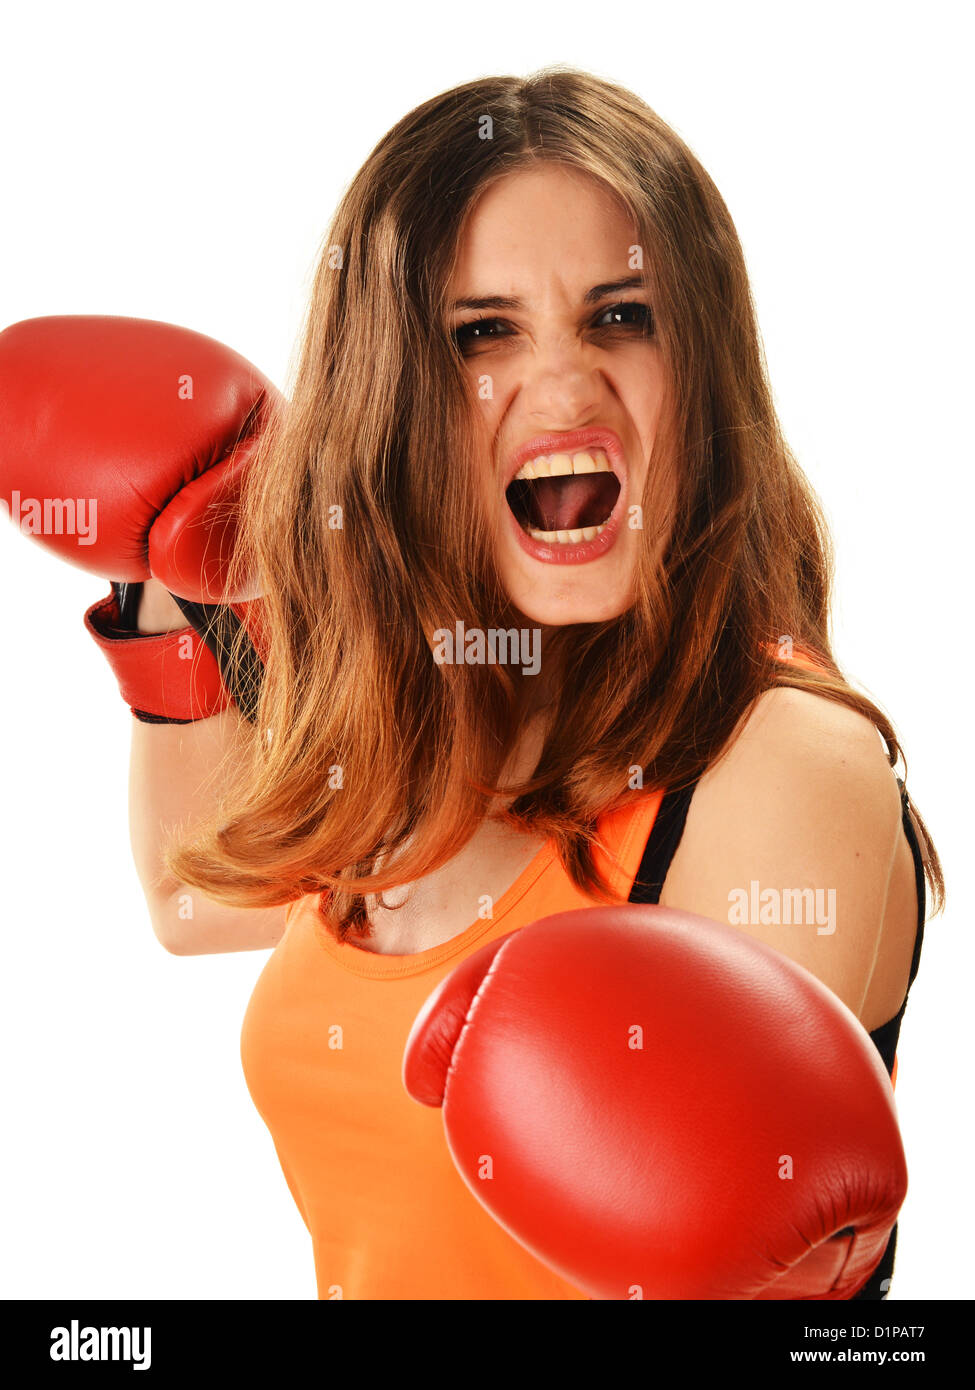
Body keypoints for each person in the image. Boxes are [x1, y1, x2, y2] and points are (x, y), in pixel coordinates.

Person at [0, 66, 943, 1300]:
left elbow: (750, 1237)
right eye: (482, 332)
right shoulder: (416, 715)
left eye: (623, 316)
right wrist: (190, 586)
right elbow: (198, 895)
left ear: (705, 367)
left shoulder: (770, 764)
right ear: (390, 400)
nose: (563, 389)